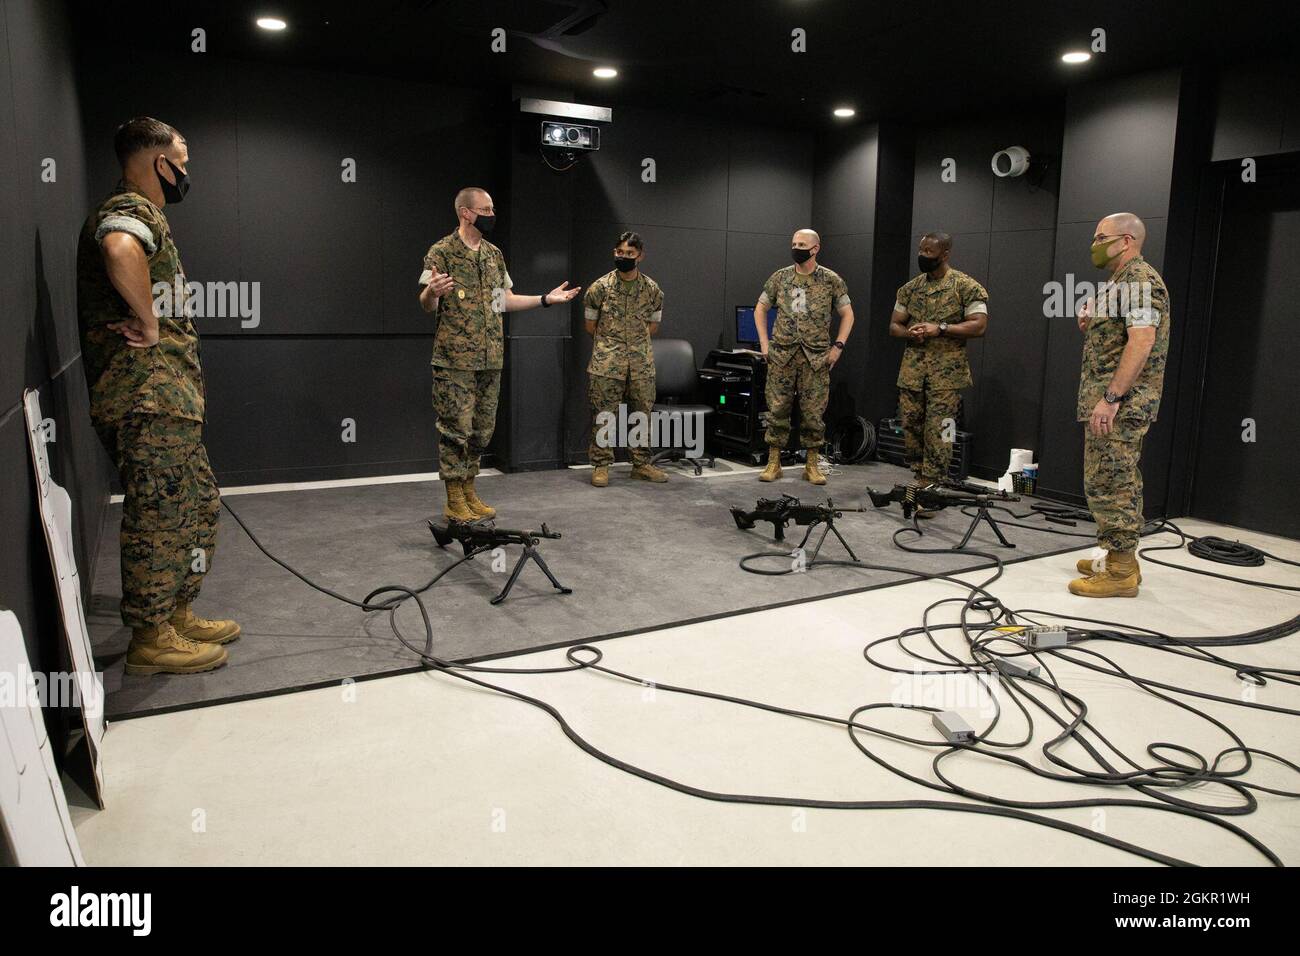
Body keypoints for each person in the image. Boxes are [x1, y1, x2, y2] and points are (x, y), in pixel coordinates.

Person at [76, 116, 237, 676]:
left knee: (197, 504)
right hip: (144, 397)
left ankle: (175, 613)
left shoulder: (152, 215)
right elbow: (120, 249)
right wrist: (147, 322)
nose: (186, 173)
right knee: (160, 513)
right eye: (182, 162)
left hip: (169, 399)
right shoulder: (132, 211)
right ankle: (149, 639)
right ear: (157, 163)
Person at [418, 187, 580, 521]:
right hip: (455, 361)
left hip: (491, 359)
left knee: (481, 430)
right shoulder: (442, 251)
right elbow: (427, 302)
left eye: (493, 209)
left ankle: (469, 490)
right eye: (486, 209)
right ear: (466, 212)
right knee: (454, 429)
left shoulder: (494, 254)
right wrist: (431, 293)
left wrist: (545, 299)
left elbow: (503, 301)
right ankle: (453, 498)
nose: (493, 215)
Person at [1070, 213, 1170, 598]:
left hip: (1121, 404)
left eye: (1100, 237)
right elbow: (1120, 332)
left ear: (1125, 240)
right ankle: (1117, 557)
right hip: (1109, 399)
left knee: (1112, 481)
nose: (1094, 244)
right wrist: (1091, 320)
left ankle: (1121, 570)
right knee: (1104, 478)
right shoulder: (1119, 282)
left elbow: (1142, 341)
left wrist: (1111, 398)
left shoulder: (1140, 281)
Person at [753, 229, 854, 484]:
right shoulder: (780, 277)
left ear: (815, 248)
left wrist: (838, 347)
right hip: (782, 355)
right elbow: (760, 308)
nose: (796, 247)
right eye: (794, 243)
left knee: (813, 413)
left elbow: (848, 314)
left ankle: (811, 465)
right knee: (777, 409)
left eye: (802, 244)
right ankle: (773, 462)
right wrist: (765, 343)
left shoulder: (831, 280)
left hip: (816, 357)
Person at [889, 233, 988, 488]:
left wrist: (941, 328)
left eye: (928, 252)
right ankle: (920, 474)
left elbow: (979, 326)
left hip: (946, 375)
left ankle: (935, 480)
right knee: (911, 423)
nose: (922, 256)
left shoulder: (965, 286)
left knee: (941, 428)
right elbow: (894, 325)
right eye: (920, 251)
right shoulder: (910, 289)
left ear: (944, 255)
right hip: (912, 371)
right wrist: (908, 332)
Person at [584, 232, 668, 486]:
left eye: (630, 254)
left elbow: (653, 327)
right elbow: (591, 326)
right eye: (620, 252)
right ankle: (601, 466)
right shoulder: (599, 288)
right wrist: (613, 346)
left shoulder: (653, 290)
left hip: (641, 365)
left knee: (642, 415)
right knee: (604, 416)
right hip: (607, 364)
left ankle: (641, 464)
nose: (624, 257)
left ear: (640, 256)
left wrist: (634, 345)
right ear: (614, 253)